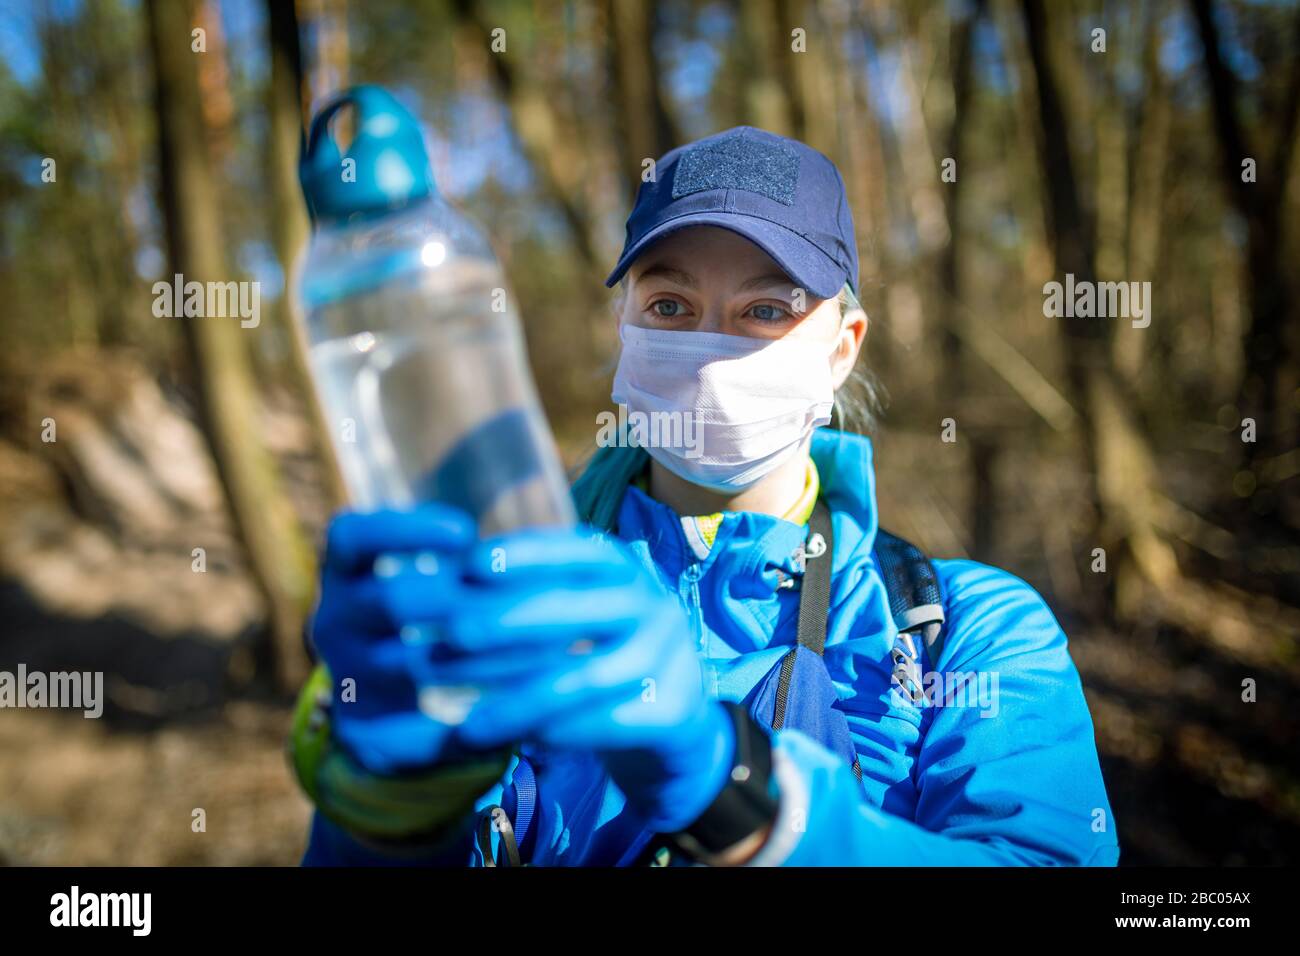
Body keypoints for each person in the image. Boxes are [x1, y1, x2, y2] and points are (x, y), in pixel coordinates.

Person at [291, 126, 1119, 866]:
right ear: (624, 326)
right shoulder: (503, 606)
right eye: (670, 305)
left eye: (764, 308)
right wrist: (387, 821)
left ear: (843, 349)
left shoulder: (963, 628)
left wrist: (743, 800)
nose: (709, 352)